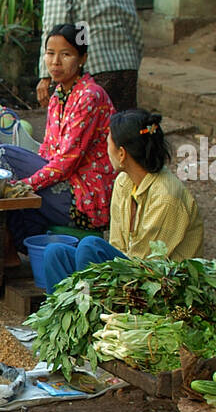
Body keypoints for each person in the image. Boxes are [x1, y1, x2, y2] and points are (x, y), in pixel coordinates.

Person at [42, 110, 203, 292]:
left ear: (121, 154)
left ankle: (90, 313)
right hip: (130, 269)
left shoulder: (166, 197)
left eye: (108, 144)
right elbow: (117, 246)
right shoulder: (123, 182)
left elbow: (146, 266)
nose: (105, 150)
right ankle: (65, 315)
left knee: (90, 246)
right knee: (54, 254)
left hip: (161, 284)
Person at [0, 23, 115, 248]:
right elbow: (47, 149)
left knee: (3, 155)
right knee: (6, 173)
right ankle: (17, 246)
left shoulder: (90, 96)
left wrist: (25, 185)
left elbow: (67, 162)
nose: (55, 61)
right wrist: (23, 186)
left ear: (83, 58)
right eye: (50, 53)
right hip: (64, 186)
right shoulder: (59, 93)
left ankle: (11, 246)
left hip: (83, 198)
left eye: (66, 54)